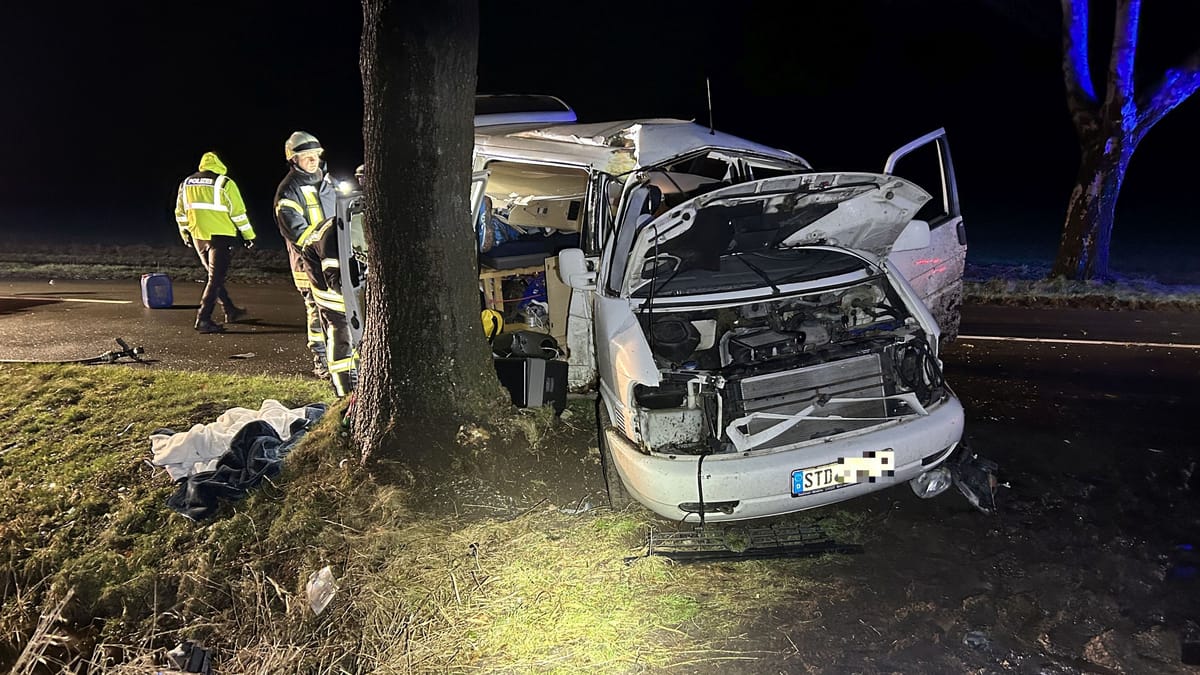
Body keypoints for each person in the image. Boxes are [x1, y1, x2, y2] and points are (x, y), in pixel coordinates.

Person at [274, 131, 357, 396]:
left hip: (335, 259)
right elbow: (298, 234)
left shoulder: (329, 183)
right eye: (305, 157)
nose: (311, 160)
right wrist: (325, 242)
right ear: (293, 160)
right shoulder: (288, 192)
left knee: (342, 315)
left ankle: (343, 359)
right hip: (308, 265)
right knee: (318, 315)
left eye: (315, 155)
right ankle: (321, 360)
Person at [174, 152, 255, 333]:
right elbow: (238, 214)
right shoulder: (225, 183)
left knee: (214, 277)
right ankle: (203, 319)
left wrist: (185, 233)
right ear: (219, 165)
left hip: (198, 236)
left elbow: (180, 212)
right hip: (221, 236)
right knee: (215, 278)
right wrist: (248, 235)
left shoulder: (186, 183)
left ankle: (230, 310)